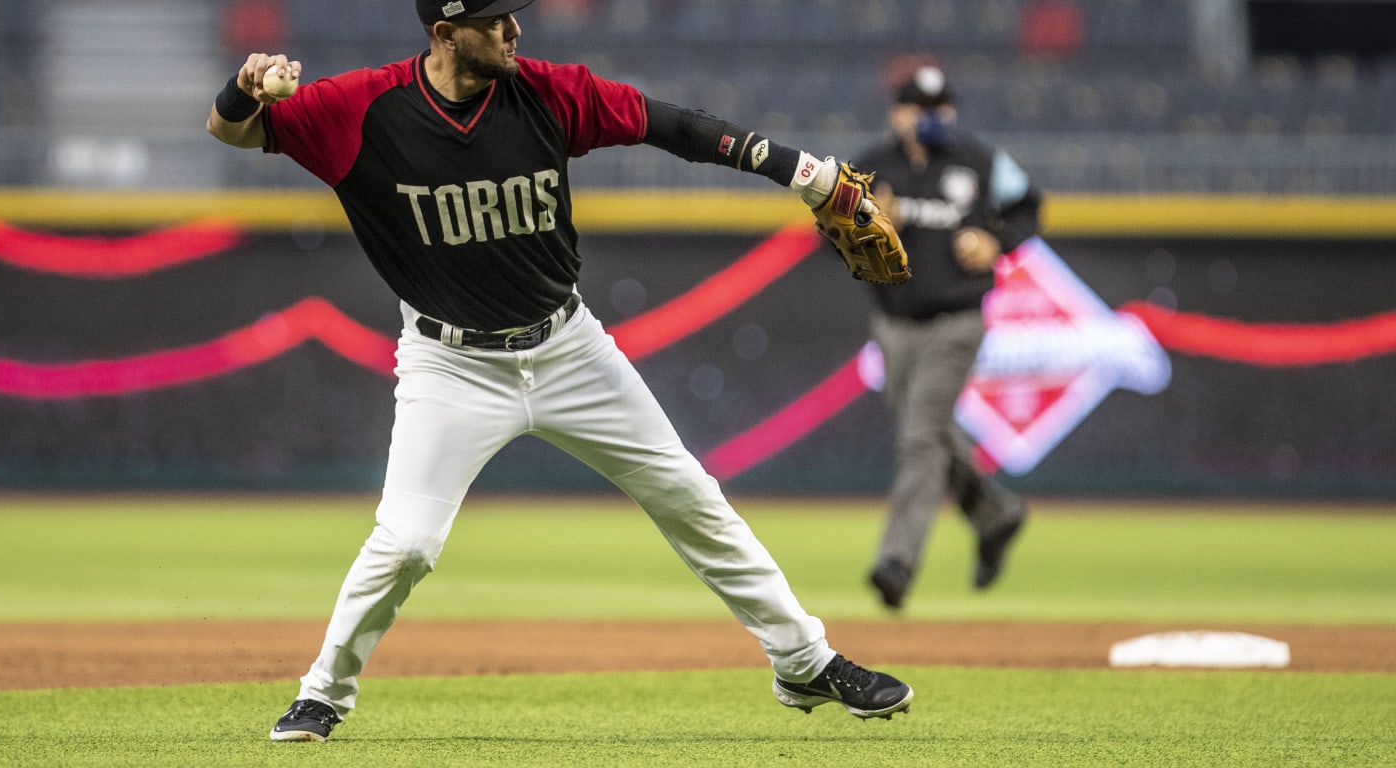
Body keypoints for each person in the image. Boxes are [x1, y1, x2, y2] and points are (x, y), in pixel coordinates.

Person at [206, 0, 913, 742]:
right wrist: (245, 87)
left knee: (690, 497)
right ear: (445, 35)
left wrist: (808, 174)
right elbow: (230, 130)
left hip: (569, 348)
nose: (514, 30)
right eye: (495, 20)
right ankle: (322, 693)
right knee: (407, 541)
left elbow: (674, 126)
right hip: (451, 365)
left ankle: (803, 660)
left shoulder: (548, 91)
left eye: (514, 15)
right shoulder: (361, 108)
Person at [852, 65, 1040, 612]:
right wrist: (866, 223)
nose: (929, 117)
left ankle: (897, 562)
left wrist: (996, 240)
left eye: (939, 107)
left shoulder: (980, 161)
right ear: (897, 113)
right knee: (930, 432)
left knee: (918, 436)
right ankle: (996, 514)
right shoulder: (870, 168)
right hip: (893, 324)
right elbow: (829, 237)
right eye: (916, 106)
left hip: (957, 321)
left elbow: (1030, 207)